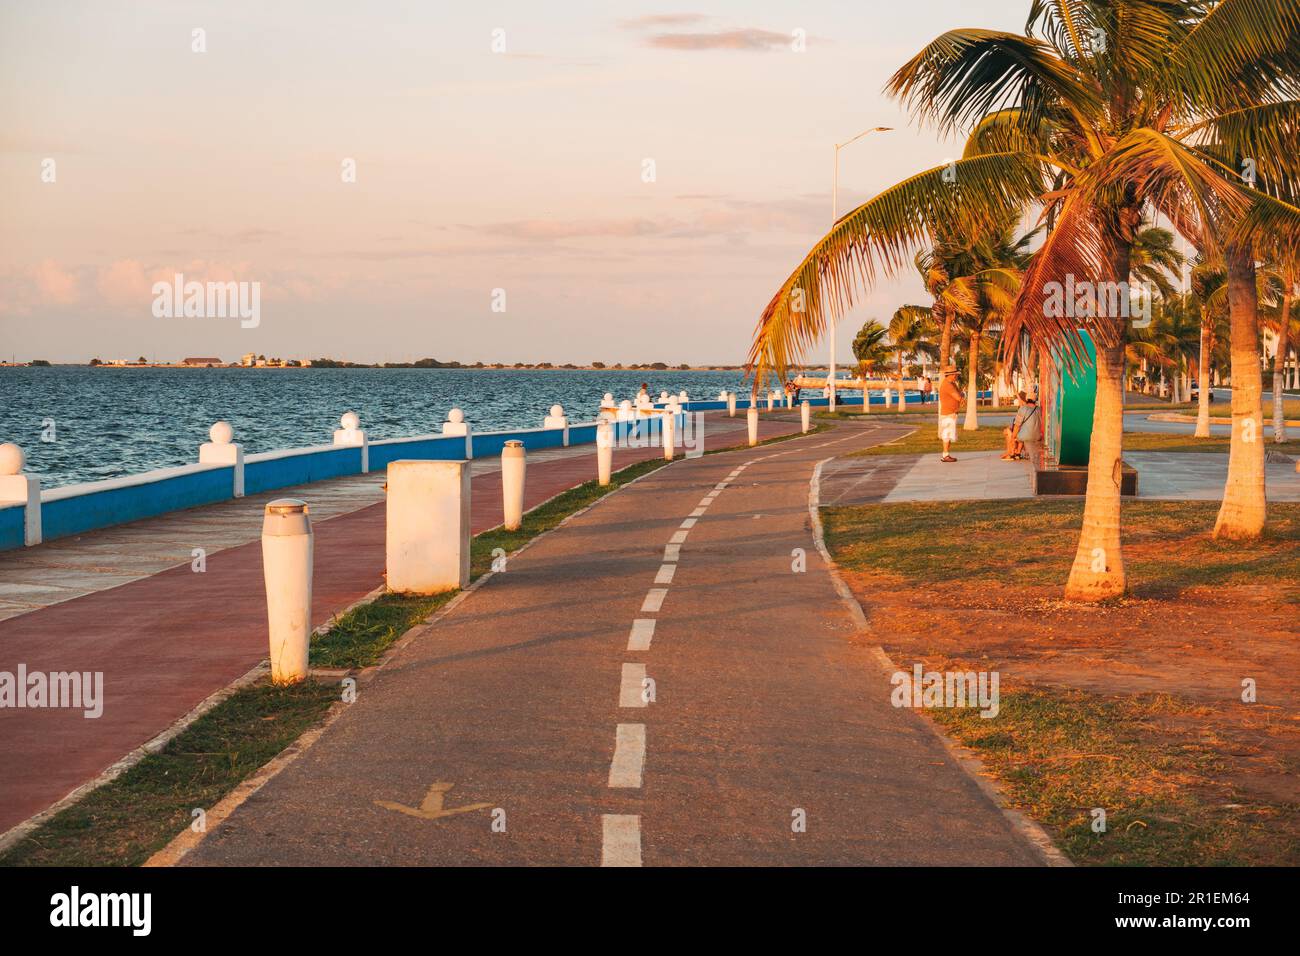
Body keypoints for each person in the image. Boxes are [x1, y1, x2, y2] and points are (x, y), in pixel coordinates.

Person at [1001, 392, 1039, 460]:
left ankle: (1012, 454)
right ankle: (1018, 453)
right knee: (1020, 434)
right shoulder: (1038, 409)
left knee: (1011, 434)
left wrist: (1013, 437)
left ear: (1027, 399)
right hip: (1037, 436)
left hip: (1026, 436)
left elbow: (1017, 425)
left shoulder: (1023, 408)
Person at [937, 365, 962, 462]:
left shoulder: (952, 383)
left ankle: (946, 454)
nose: (956, 376)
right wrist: (961, 396)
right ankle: (945, 455)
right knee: (947, 434)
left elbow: (959, 395)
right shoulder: (948, 385)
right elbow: (958, 397)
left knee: (949, 433)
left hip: (951, 412)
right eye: (955, 374)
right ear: (951, 375)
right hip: (948, 413)